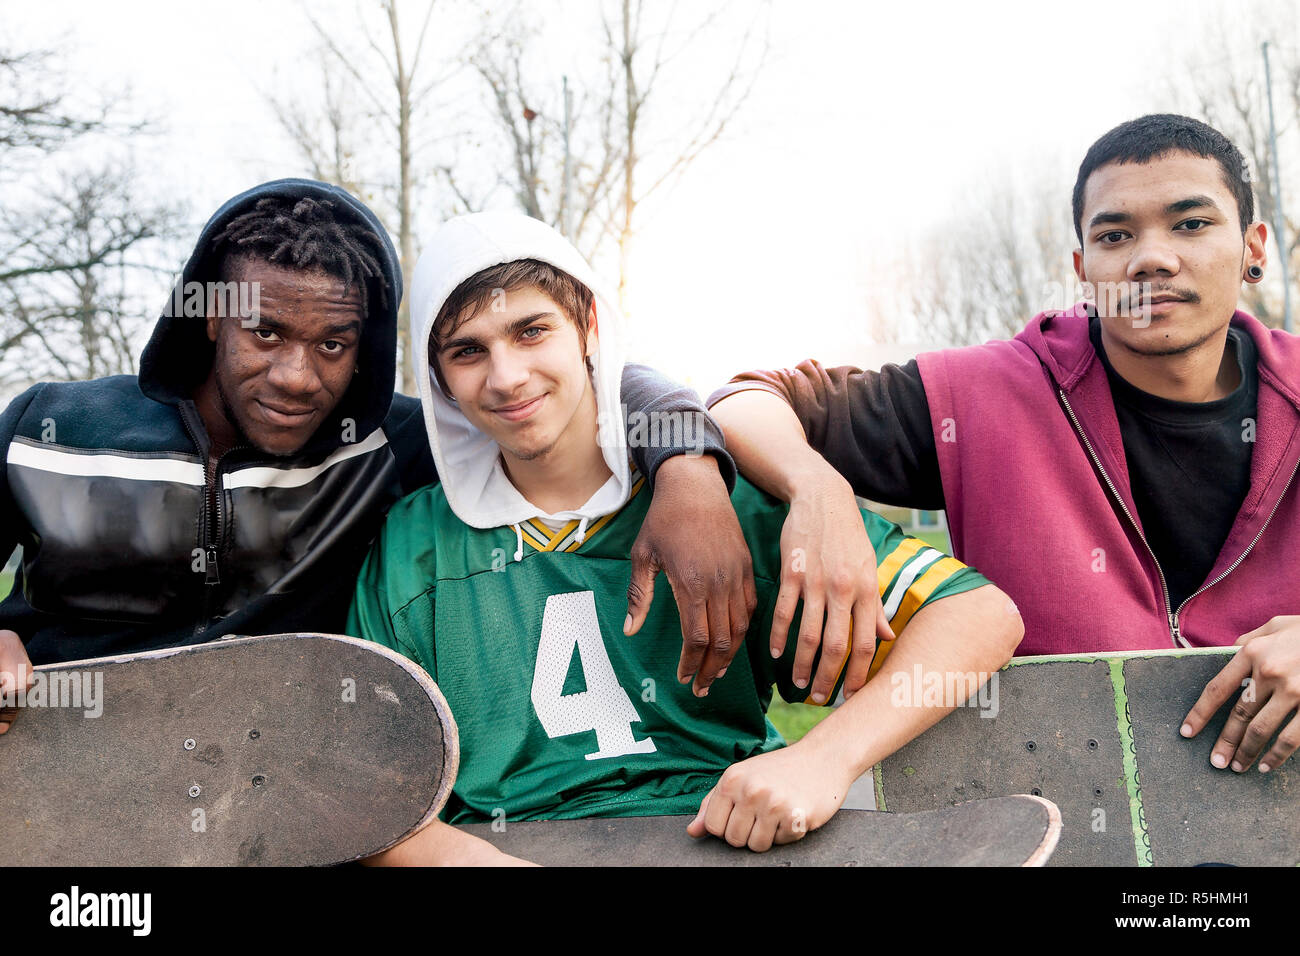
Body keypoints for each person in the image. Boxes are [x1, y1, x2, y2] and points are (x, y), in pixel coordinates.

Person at [346, 211, 1023, 864]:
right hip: (506, 846)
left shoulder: (726, 504)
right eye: (468, 351)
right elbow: (364, 778)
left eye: (530, 332)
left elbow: (978, 614)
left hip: (722, 839)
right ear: (436, 375)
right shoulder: (412, 545)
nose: (506, 376)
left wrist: (823, 758)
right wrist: (457, 859)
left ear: (586, 324)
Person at [0, 179, 757, 733]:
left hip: (269, 792)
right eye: (265, 333)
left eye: (332, 344)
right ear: (207, 317)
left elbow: (580, 390)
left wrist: (685, 463)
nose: (298, 378)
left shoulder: (393, 443)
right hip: (53, 766)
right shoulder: (51, 426)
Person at [708, 113, 1300, 776]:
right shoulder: (983, 396)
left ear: (1255, 248)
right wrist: (816, 490)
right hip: (1057, 811)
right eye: (1115, 234)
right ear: (1083, 268)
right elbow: (746, 398)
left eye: (1190, 223)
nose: (1151, 257)